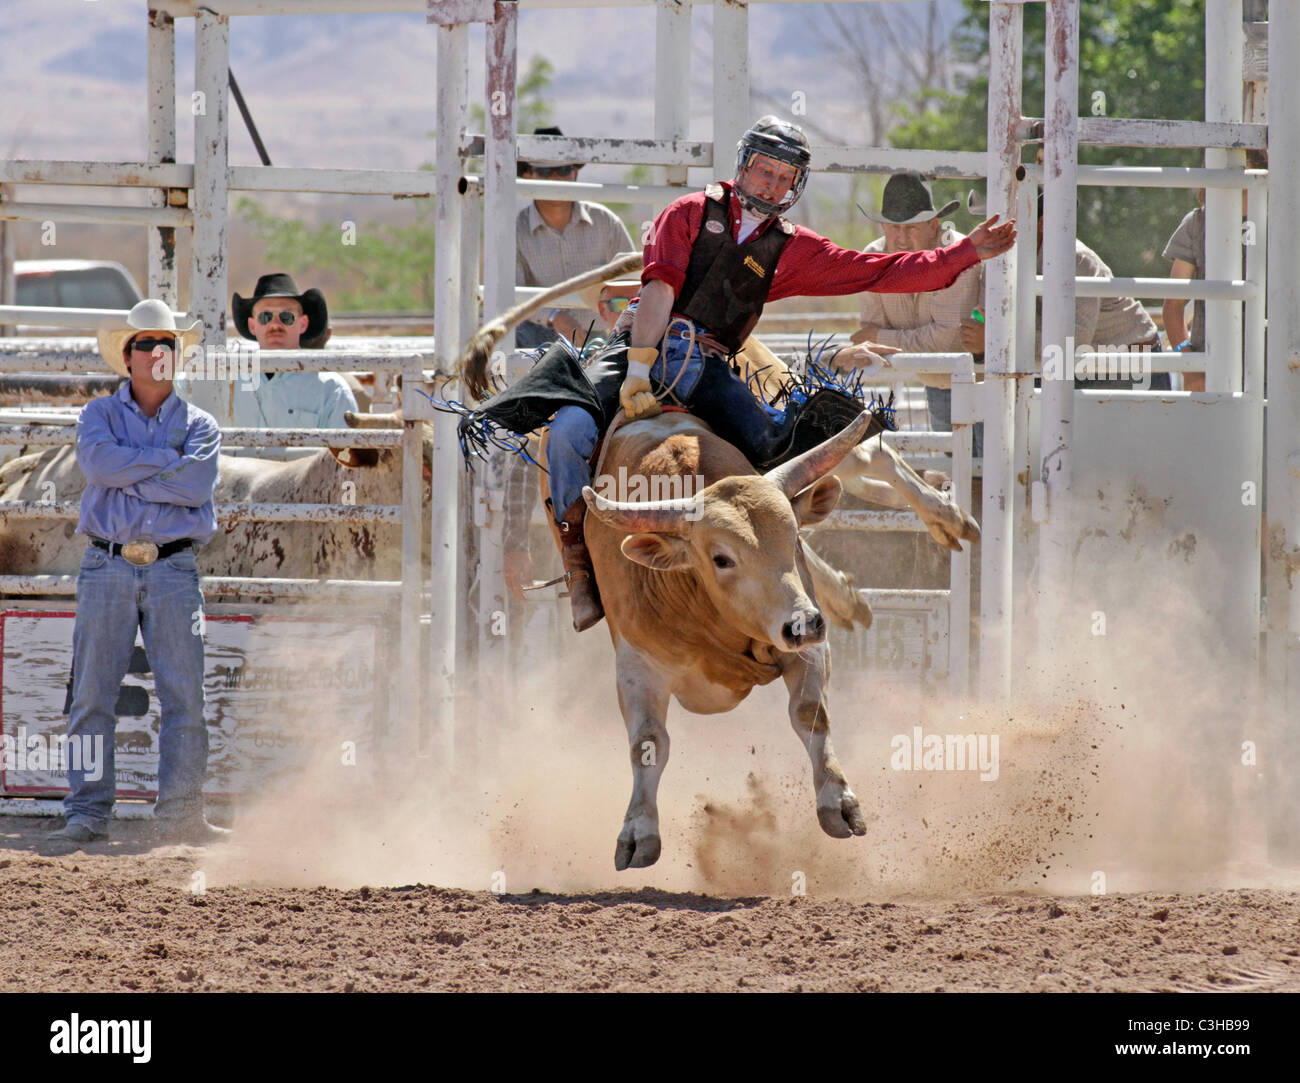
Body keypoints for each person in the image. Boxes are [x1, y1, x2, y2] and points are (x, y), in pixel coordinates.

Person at [542, 116, 1016, 631]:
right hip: (643, 341)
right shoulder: (689, 212)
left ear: (795, 185)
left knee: (773, 446)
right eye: (764, 170)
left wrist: (964, 253)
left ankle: (781, 566)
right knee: (567, 431)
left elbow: (875, 269)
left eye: (783, 176)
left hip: (707, 361)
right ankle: (579, 569)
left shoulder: (790, 247)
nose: (770, 183)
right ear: (743, 168)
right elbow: (658, 288)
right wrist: (638, 368)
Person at [46, 299, 227, 852]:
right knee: (92, 695)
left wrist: (129, 472)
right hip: (109, 562)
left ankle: (178, 813)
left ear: (177, 357)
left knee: (184, 695)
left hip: (170, 564)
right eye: (146, 344)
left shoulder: (198, 423)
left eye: (166, 345)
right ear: (127, 358)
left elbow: (195, 489)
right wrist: (163, 465)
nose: (157, 353)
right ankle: (88, 810)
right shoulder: (100, 415)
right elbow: (101, 469)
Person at [959, 193, 1168, 390]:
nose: (993, 231)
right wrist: (984, 345)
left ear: (1041, 223)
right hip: (1077, 364)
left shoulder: (1075, 259)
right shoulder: (996, 263)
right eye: (992, 223)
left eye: (1006, 222)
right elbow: (986, 322)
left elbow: (1073, 342)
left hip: (1124, 363)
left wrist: (996, 340)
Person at [852, 172, 985, 455]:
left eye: (910, 228)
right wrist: (885, 337)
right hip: (936, 382)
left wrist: (882, 336)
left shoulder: (958, 257)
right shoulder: (873, 257)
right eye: (893, 227)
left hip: (982, 382)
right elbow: (869, 336)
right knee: (960, 471)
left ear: (933, 225)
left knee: (989, 472)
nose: (900, 238)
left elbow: (946, 341)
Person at [514, 126, 636, 349]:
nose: (555, 179)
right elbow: (511, 294)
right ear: (527, 175)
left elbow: (632, 285)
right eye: (545, 172)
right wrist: (554, 316)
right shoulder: (515, 231)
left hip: (603, 336)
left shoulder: (605, 222)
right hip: (539, 335)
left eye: (563, 170)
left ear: (575, 174)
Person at [230, 273, 358, 437]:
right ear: (252, 325)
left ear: (303, 324)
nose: (275, 325)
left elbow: (343, 458)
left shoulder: (332, 389)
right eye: (265, 317)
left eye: (286, 317)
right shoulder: (227, 381)